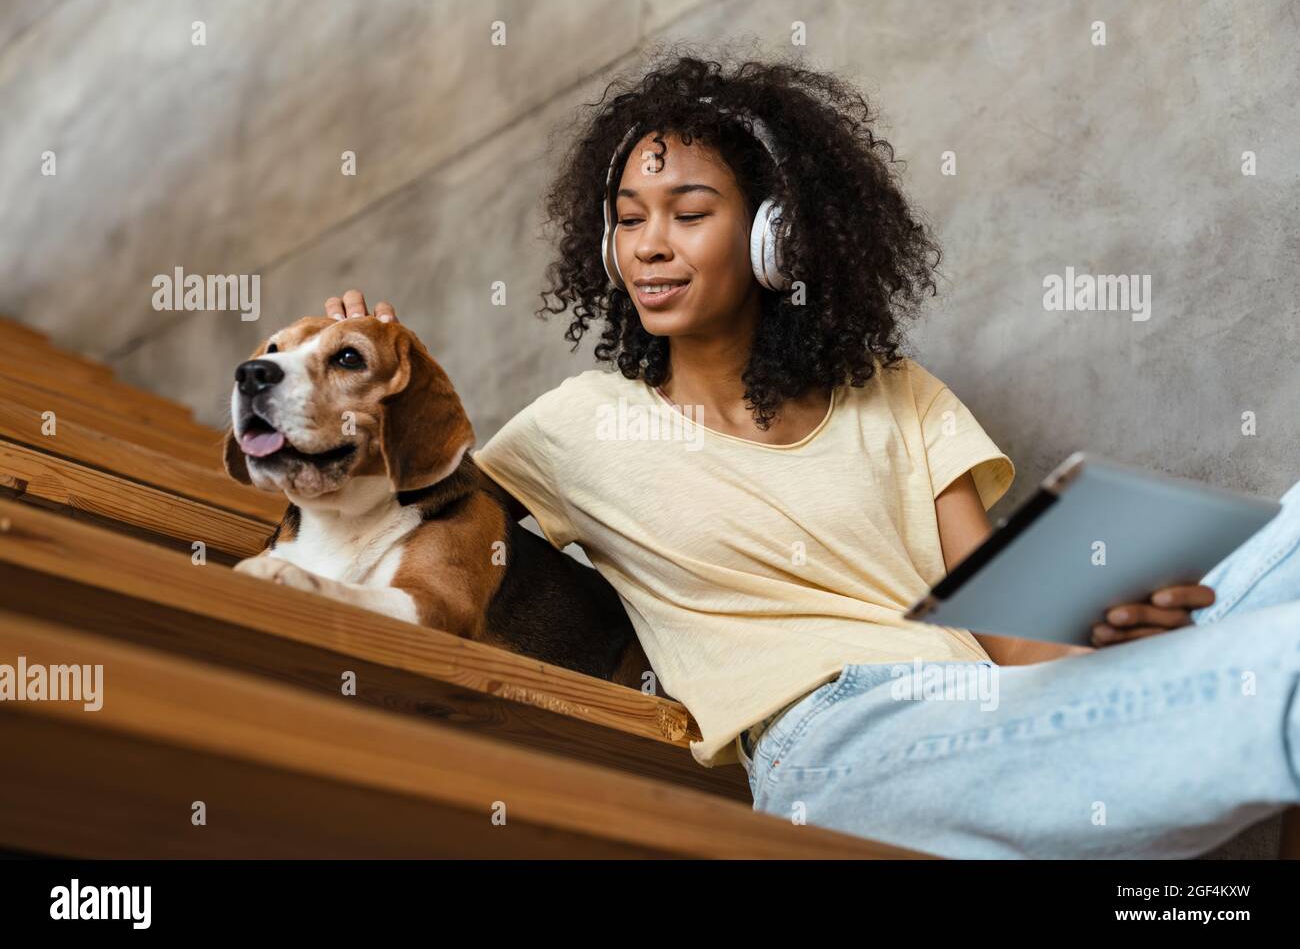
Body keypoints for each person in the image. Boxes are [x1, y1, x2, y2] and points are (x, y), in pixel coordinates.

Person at [324, 53, 1300, 858]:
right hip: (846, 745)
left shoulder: (899, 394)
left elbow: (1013, 641)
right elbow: (420, 516)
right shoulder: (577, 423)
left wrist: (1121, 639)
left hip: (995, 708)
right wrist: (368, 375)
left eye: (687, 212)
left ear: (773, 236)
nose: (648, 247)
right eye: (627, 217)